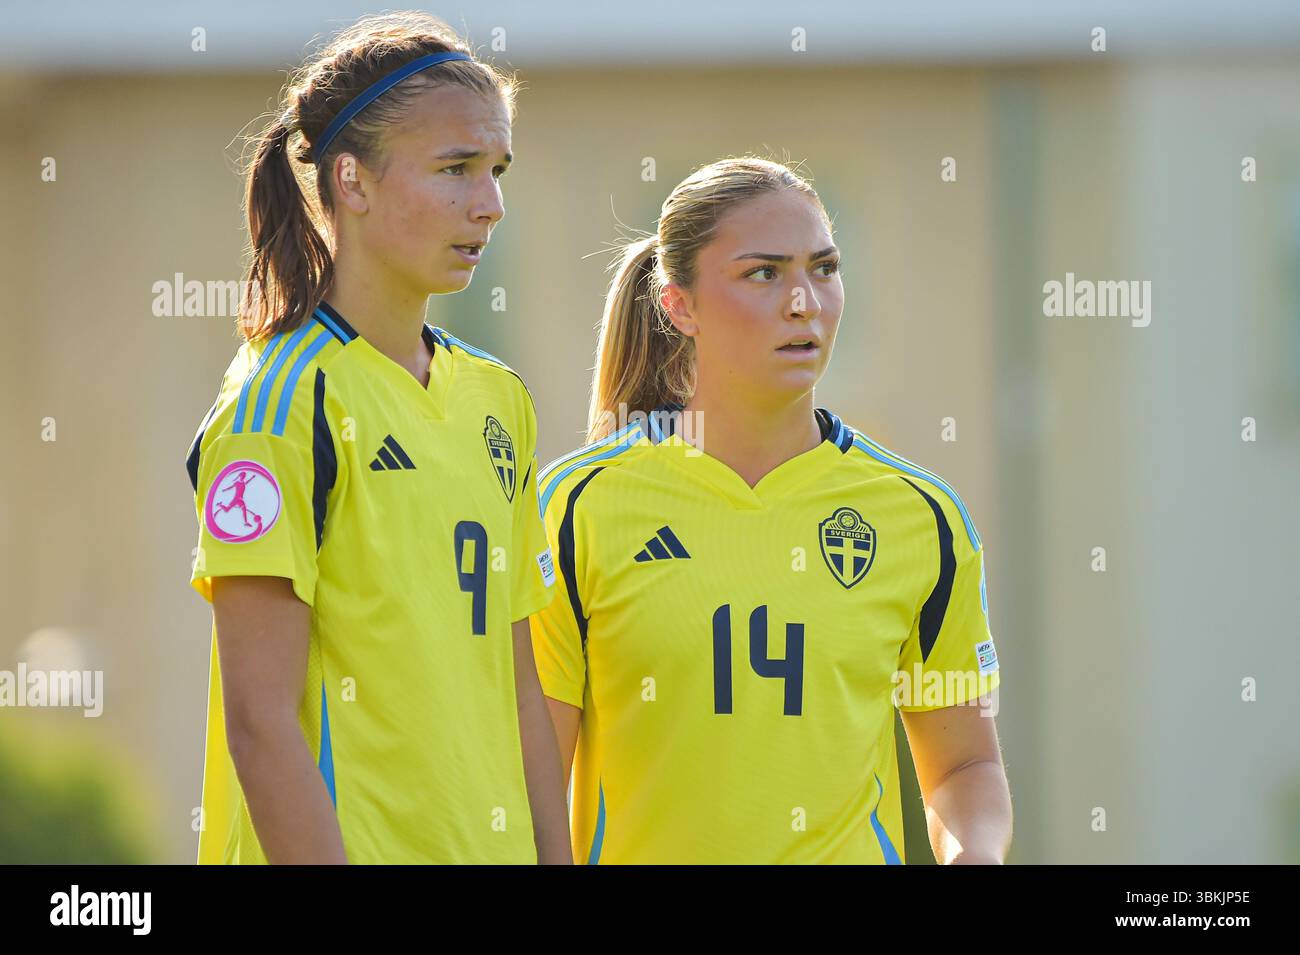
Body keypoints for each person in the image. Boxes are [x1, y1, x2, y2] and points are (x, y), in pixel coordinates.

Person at [529, 157, 1013, 864]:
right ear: (678, 305)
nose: (804, 302)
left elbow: (966, 766)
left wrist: (976, 852)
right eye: (764, 273)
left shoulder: (921, 516)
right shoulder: (577, 508)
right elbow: (535, 784)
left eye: (824, 268)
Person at [186, 12, 569, 864]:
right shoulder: (277, 404)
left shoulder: (498, 401)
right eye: (456, 169)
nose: (491, 203)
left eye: (497, 169)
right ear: (351, 181)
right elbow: (260, 721)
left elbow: (519, 692)